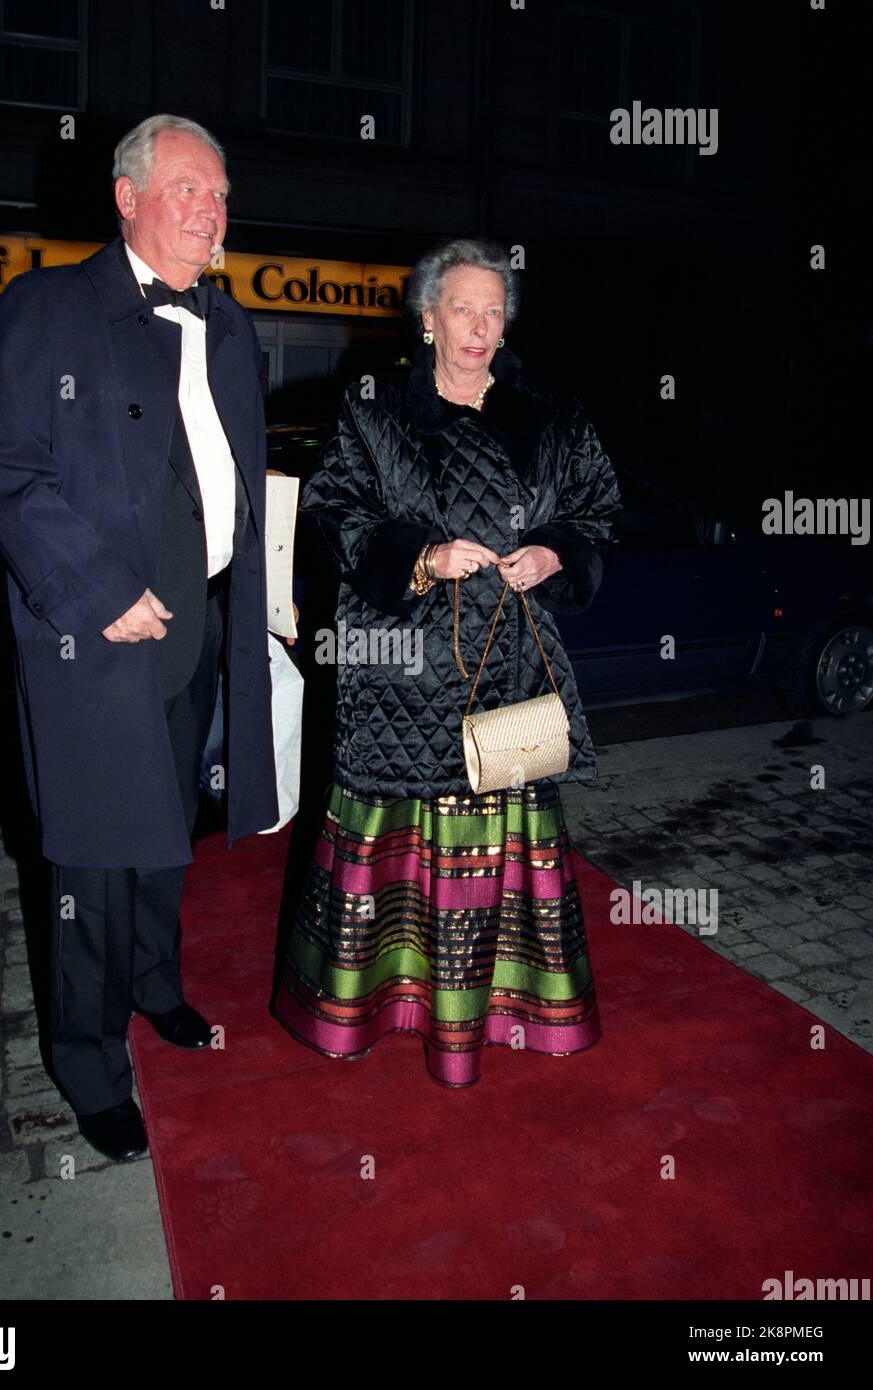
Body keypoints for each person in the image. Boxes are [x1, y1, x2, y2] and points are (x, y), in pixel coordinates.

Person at [0, 114, 278, 1158]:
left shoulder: (229, 326)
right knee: (92, 866)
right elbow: (8, 474)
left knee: (166, 840)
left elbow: (224, 479)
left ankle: (156, 987)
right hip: (92, 640)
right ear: (126, 195)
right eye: (189, 189)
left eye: (221, 193)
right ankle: (91, 1066)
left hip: (201, 628)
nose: (212, 210)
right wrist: (99, 589)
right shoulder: (48, 306)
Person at [272, 238, 621, 1086]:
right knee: (398, 835)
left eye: (493, 311)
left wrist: (556, 555)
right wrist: (422, 558)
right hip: (403, 672)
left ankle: (505, 1013)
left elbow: (596, 510)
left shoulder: (551, 413)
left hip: (507, 674)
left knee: (506, 839)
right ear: (426, 318)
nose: (478, 326)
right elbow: (331, 512)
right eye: (461, 309)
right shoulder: (375, 410)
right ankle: (378, 1007)